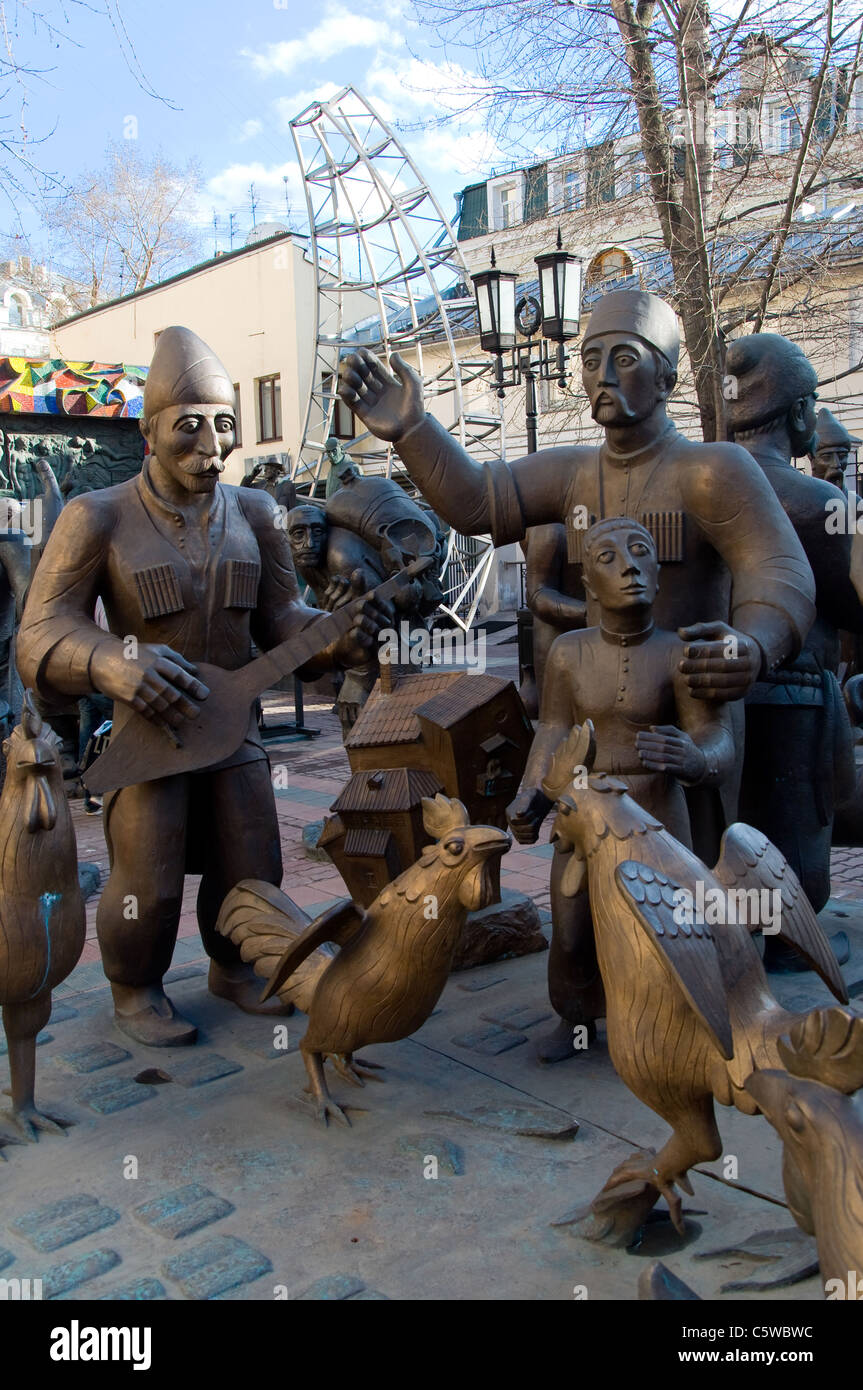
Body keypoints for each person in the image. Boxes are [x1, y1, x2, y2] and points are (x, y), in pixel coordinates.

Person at [338, 289, 816, 863]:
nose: (603, 375)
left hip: (688, 720)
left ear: (666, 380)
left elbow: (778, 572)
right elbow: (477, 502)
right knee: (588, 887)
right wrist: (414, 429)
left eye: (626, 358)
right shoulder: (573, 474)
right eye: (590, 361)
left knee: (693, 882)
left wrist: (752, 647)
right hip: (595, 722)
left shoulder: (712, 471)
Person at [17, 327, 391, 1047]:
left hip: (236, 730)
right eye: (188, 429)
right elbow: (40, 632)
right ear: (148, 431)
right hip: (150, 739)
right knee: (148, 880)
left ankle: (237, 967)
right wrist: (110, 662)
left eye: (224, 427)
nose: (211, 448)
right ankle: (134, 988)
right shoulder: (96, 517)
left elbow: (282, 618)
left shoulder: (254, 514)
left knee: (253, 860)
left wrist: (335, 633)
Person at [508, 516, 735, 1058]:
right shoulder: (568, 652)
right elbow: (553, 730)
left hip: (656, 812)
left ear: (658, 574)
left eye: (640, 553)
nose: (629, 565)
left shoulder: (678, 653)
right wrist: (530, 796)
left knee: (659, 928)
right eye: (607, 558)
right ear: (588, 584)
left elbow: (717, 737)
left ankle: (666, 1024)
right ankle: (577, 1018)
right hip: (583, 810)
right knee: (572, 926)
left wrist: (696, 757)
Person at [725, 335, 862, 956]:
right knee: (795, 823)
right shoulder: (819, 502)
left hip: (717, 694)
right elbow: (855, 605)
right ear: (799, 412)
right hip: (798, 695)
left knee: (732, 819)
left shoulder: (699, 485)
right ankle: (790, 944)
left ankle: (732, 939)